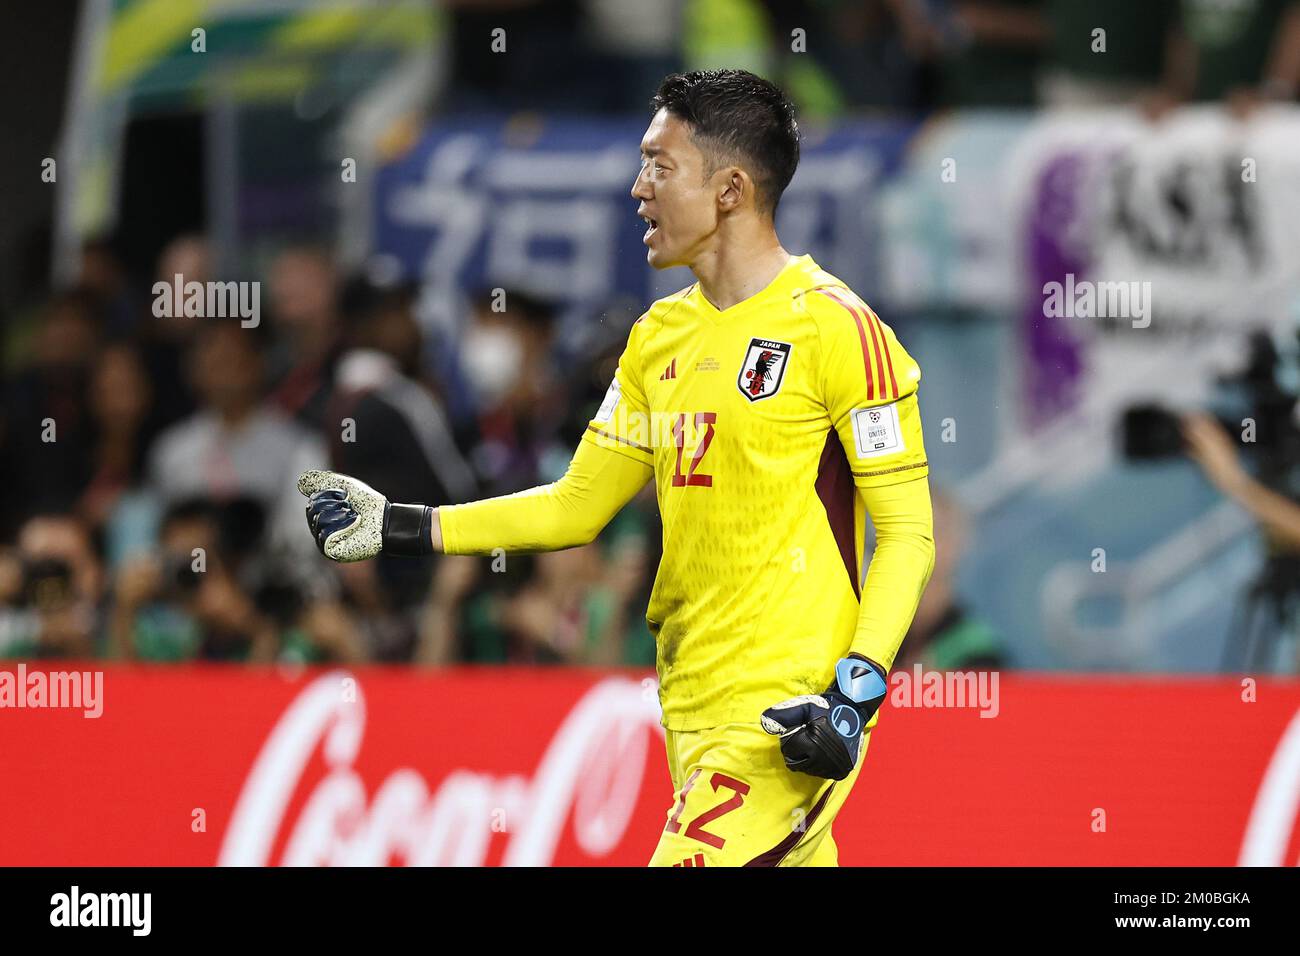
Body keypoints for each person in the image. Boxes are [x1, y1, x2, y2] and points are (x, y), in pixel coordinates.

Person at [300, 69, 935, 866]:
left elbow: (907, 535)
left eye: (660, 166)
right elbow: (575, 507)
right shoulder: (657, 338)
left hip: (787, 719)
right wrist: (401, 525)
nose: (638, 189)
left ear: (731, 188)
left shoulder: (840, 331)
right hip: (691, 705)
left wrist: (854, 694)